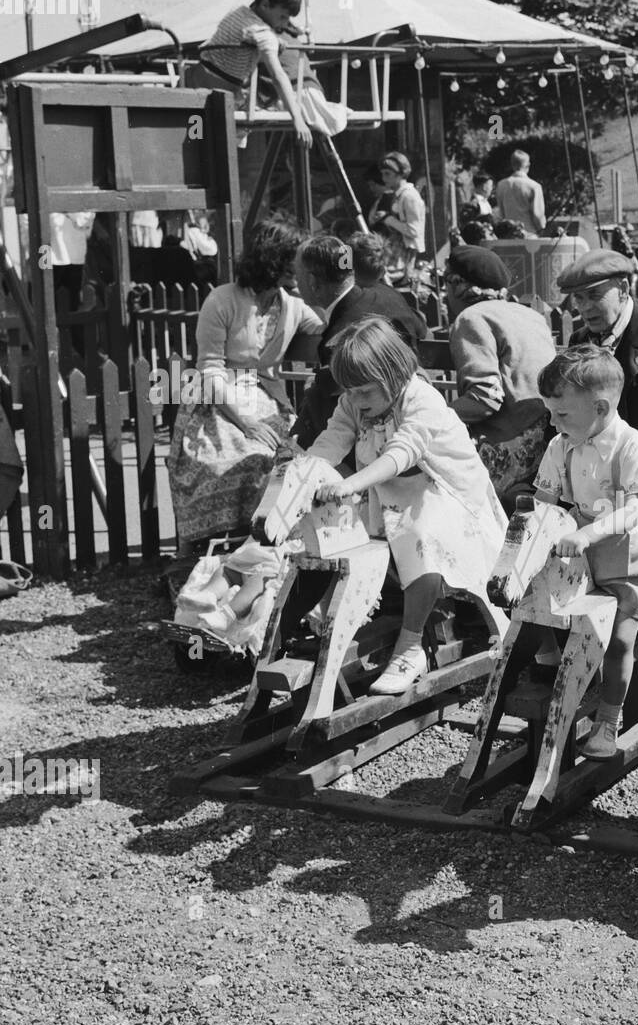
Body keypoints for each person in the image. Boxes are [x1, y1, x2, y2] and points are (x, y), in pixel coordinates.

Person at [306, 317, 507, 695]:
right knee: (345, 535)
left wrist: (351, 483)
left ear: (392, 374)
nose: (357, 401)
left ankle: (410, 645)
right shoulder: (355, 401)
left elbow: (402, 452)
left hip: (446, 493)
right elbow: (333, 438)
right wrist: (307, 470)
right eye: (351, 392)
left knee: (420, 539)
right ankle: (342, 623)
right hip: (392, 492)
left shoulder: (421, 398)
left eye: (365, 391)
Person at [534, 344, 638, 759]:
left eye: (562, 414)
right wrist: (536, 527)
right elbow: (544, 499)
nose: (553, 422)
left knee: (620, 639)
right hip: (580, 547)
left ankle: (608, 720)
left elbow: (636, 507)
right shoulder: (561, 444)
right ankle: (549, 654)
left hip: (624, 554)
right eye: (551, 413)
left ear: (601, 406)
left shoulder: (631, 445)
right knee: (532, 593)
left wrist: (588, 534)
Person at [169, 218, 321, 553]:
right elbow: (209, 369)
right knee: (236, 458)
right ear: (273, 260)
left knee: (289, 459)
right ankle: (229, 549)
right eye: (294, 261)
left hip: (268, 399)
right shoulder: (222, 301)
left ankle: (271, 544)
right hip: (220, 402)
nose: (301, 269)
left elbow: (328, 326)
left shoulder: (292, 304)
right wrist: (246, 422)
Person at [444, 244, 555, 511]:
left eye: (446, 283)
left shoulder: (470, 318)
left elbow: (486, 398)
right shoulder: (531, 315)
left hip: (511, 443)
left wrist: (438, 414)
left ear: (458, 285)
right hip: (550, 438)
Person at [289, 234, 427, 449]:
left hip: (386, 440)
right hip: (419, 408)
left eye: (297, 276)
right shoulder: (387, 294)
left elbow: (341, 404)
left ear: (313, 283)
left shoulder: (341, 339)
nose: (295, 285)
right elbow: (421, 328)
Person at [558, 249, 638, 451]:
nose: (585, 307)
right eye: (579, 298)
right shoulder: (579, 341)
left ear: (623, 289)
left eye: (594, 295)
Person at [195, 0, 313, 150]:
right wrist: (297, 118)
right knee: (215, 148)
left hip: (194, 82)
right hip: (214, 94)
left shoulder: (239, 11)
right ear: (265, 4)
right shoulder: (264, 34)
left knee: (192, 143)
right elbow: (278, 75)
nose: (284, 24)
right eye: (282, 17)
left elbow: (248, 33)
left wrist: (274, 39)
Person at [370, 152, 426, 280]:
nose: (384, 179)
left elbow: (414, 230)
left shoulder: (409, 196)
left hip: (403, 256)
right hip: (393, 251)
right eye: (383, 174)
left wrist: (388, 219)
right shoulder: (396, 195)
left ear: (400, 174)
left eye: (388, 174)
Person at [494, 150, 546, 236]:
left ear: (512, 164)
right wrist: (541, 229)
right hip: (529, 233)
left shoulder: (501, 185)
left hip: (508, 234)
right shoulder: (534, 186)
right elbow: (537, 215)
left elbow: (501, 212)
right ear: (528, 165)